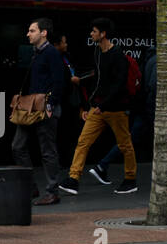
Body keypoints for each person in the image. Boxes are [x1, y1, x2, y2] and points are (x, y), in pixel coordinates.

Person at [58, 18, 138, 195]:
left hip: (116, 109)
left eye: (94, 31)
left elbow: (120, 85)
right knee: (83, 141)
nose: (91, 34)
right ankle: (73, 179)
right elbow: (98, 79)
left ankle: (130, 179)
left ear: (103, 34)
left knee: (125, 145)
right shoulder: (97, 52)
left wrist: (104, 104)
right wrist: (90, 105)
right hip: (98, 108)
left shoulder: (118, 55)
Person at [11, 18, 69, 206]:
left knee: (47, 150)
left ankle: (52, 191)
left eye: (32, 30)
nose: (28, 34)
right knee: (18, 146)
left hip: (45, 107)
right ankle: (31, 187)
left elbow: (59, 81)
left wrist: (51, 105)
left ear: (44, 33)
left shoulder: (51, 53)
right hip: (32, 106)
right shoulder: (36, 53)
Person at [89, 42, 155, 185]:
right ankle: (127, 176)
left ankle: (103, 165)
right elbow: (150, 85)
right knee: (127, 141)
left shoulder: (146, 59)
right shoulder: (153, 61)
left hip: (134, 106)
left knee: (126, 140)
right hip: (141, 107)